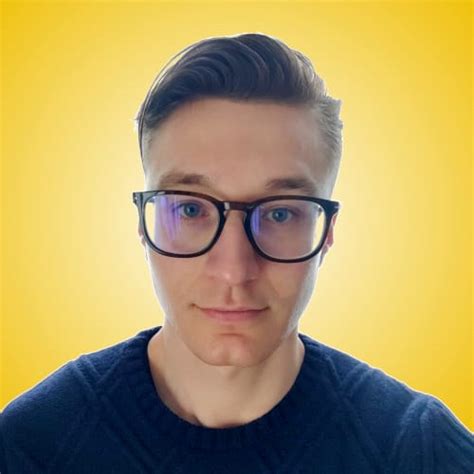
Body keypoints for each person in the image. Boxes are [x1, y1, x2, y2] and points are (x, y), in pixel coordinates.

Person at [1, 32, 473, 474]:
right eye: (190, 209)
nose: (233, 270)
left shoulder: (418, 450)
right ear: (143, 225)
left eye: (281, 213)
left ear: (327, 232)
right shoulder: (32, 445)